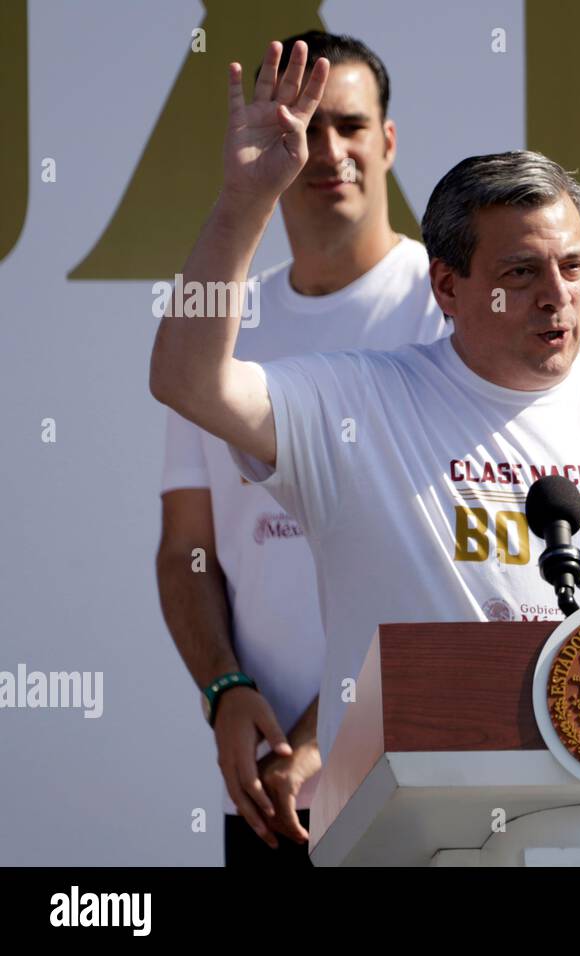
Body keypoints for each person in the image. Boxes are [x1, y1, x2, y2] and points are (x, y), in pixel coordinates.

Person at [149, 40, 580, 779]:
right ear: (448, 289)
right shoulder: (357, 401)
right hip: (420, 834)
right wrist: (244, 202)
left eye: (574, 266)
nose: (556, 295)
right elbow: (187, 380)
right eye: (520, 272)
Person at [155, 31, 446, 867]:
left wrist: (329, 732)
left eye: (349, 125)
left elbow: (439, 560)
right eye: (303, 128)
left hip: (416, 780)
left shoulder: (448, 312)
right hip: (269, 794)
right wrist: (224, 690)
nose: (327, 151)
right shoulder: (217, 330)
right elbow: (187, 550)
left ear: (388, 142)